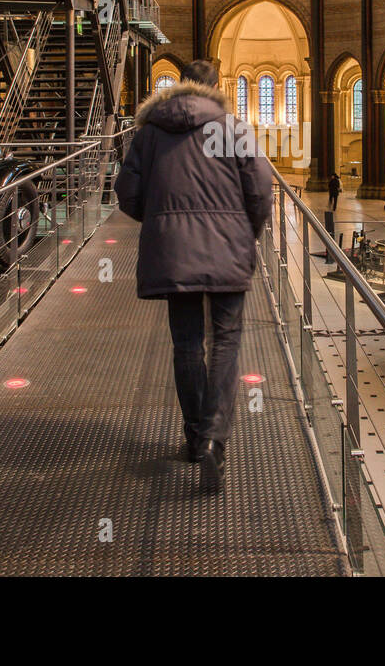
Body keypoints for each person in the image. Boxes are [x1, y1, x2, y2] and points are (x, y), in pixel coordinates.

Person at [114, 60, 272, 493]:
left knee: (186, 345)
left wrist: (162, 220)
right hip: (227, 248)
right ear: (215, 87)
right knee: (227, 341)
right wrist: (247, 232)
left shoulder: (150, 132)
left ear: (180, 84)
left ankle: (193, 435)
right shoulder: (232, 128)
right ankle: (215, 439)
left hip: (173, 254)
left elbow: (127, 193)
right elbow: (260, 190)